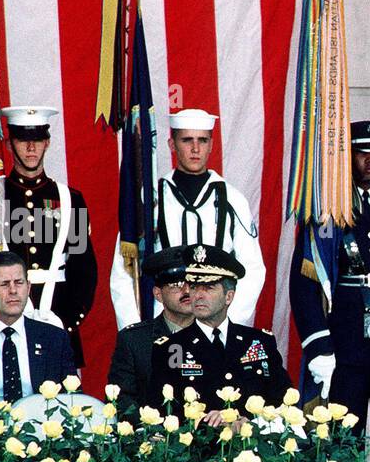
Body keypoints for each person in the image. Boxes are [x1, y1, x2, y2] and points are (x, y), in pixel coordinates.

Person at [289, 119, 370, 462]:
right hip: (345, 346)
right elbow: (305, 283)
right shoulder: (327, 212)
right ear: (348, 156)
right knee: (340, 442)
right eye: (363, 153)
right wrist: (320, 344)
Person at [111, 108, 265, 329]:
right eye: (187, 140)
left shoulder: (232, 199)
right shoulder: (150, 200)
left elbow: (252, 268)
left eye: (202, 140)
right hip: (162, 321)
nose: (195, 149)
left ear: (211, 144)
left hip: (216, 322)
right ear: (172, 144)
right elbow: (123, 269)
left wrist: (228, 325)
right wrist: (136, 331)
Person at [0, 106, 98, 367]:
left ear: (48, 143)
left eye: (38, 140)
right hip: (4, 319)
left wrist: (65, 322)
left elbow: (83, 268)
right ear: (9, 144)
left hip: (59, 318)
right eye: (23, 140)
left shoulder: (69, 199)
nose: (31, 148)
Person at [151, 245, 290, 422]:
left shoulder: (259, 342)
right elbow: (162, 412)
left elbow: (283, 404)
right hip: (198, 446)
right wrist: (208, 424)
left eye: (208, 288)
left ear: (228, 296)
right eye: (194, 287)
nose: (197, 295)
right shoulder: (172, 347)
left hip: (253, 445)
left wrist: (249, 423)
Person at [0, 250, 74, 405]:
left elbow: (72, 400)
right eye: (4, 284)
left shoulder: (55, 338)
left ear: (28, 288)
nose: (13, 291)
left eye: (19, 282)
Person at [107, 245, 195, 408]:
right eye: (176, 284)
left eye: (193, 284)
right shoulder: (134, 340)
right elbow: (120, 400)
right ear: (158, 294)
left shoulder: (218, 335)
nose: (187, 290)